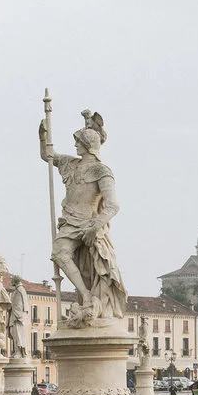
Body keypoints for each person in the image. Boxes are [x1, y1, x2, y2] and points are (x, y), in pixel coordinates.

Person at [39, 109, 128, 327]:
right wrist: (43, 137)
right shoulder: (70, 164)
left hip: (90, 224)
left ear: (88, 144)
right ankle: (86, 296)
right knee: (59, 254)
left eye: (78, 141)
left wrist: (94, 227)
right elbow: (47, 156)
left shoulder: (102, 171)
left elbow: (112, 205)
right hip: (70, 221)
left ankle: (96, 302)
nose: (75, 145)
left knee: (101, 269)